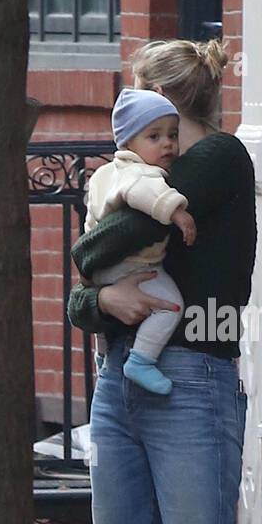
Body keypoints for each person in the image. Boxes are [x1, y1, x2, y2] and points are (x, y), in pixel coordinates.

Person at [67, 38, 256, 524]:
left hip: (192, 386)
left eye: (141, 111)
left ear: (168, 109)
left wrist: (93, 277)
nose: (129, 130)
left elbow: (96, 252)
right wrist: (98, 303)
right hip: (120, 384)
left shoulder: (216, 160)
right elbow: (88, 295)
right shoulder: (141, 172)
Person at [83, 88, 197, 395]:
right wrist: (178, 213)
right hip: (135, 265)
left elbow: (90, 224)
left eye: (172, 135)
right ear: (128, 142)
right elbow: (148, 193)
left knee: (109, 313)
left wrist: (88, 268)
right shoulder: (140, 173)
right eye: (154, 136)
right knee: (170, 306)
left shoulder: (104, 174)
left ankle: (103, 354)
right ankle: (142, 360)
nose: (168, 144)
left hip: (104, 269)